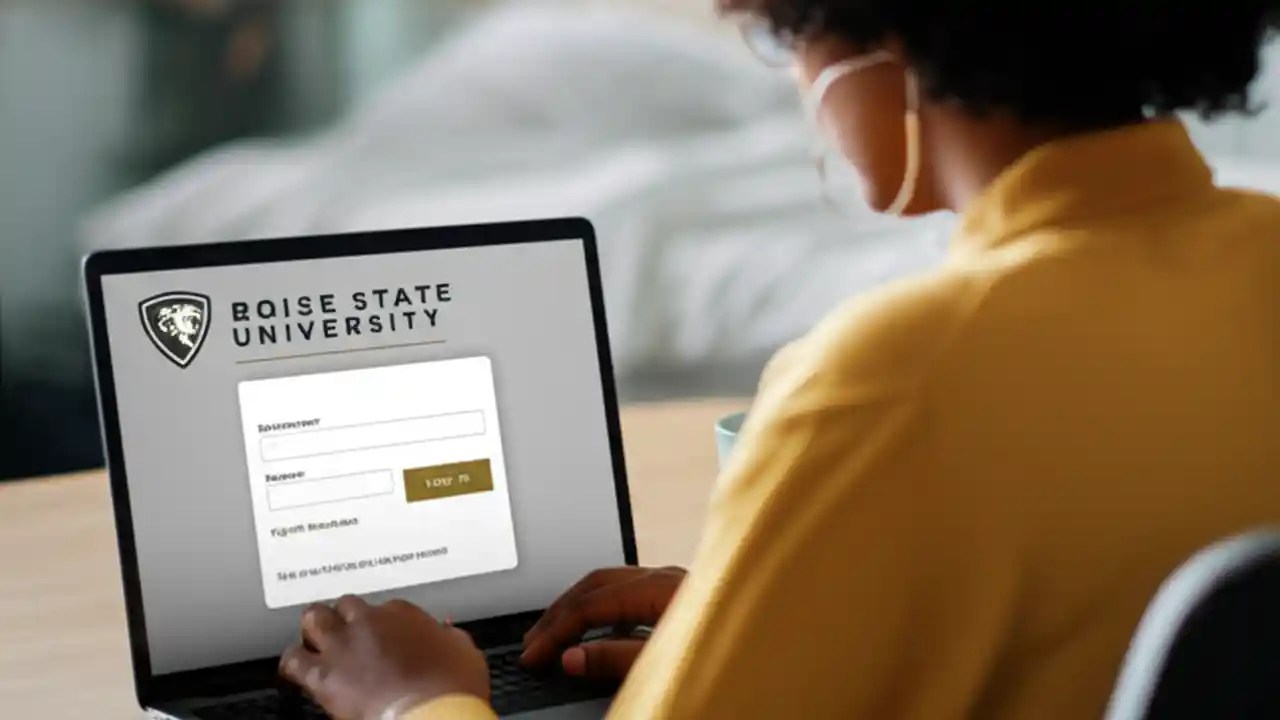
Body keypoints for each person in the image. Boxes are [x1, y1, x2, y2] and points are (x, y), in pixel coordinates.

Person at [278, 2, 1280, 718]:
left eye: (789, 41)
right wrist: (757, 608)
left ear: (882, 46)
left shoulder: (889, 374)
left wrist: (416, 700)